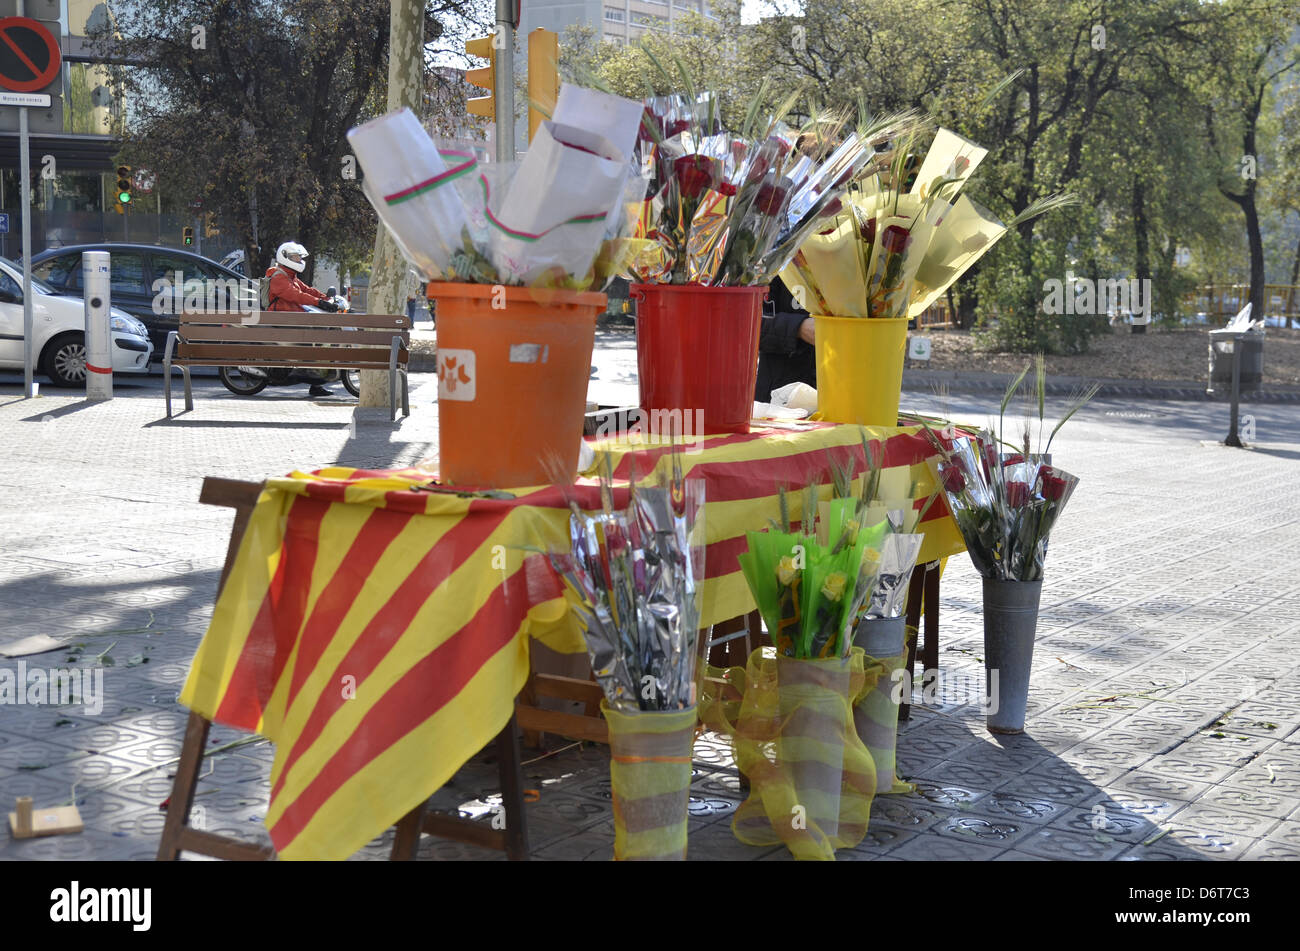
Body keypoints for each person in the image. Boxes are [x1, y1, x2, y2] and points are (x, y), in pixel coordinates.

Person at [265, 241, 340, 396]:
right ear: (285, 257)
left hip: (293, 318)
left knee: (317, 330)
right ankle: (303, 371)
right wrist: (318, 302)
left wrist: (325, 298)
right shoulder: (279, 277)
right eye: (295, 257)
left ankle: (314, 382)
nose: (299, 260)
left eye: (299, 257)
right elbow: (296, 295)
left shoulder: (290, 276)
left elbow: (307, 290)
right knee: (311, 333)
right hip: (282, 319)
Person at [755, 275, 816, 402]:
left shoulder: (855, 260)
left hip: (841, 387)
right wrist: (799, 328)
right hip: (779, 395)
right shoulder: (774, 260)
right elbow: (745, 323)